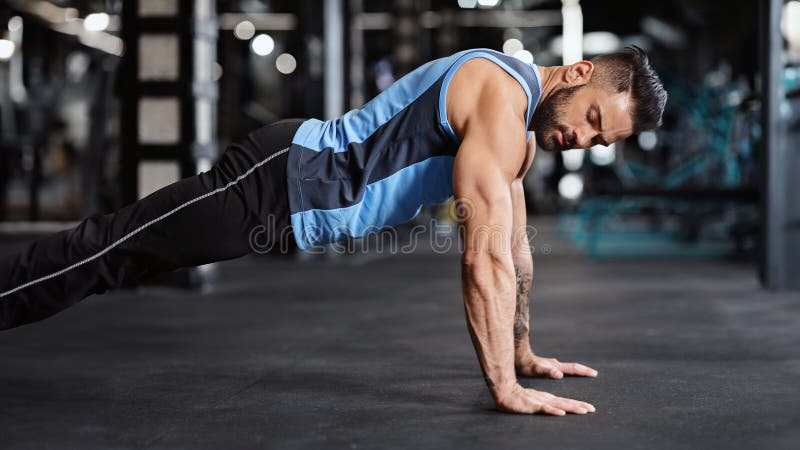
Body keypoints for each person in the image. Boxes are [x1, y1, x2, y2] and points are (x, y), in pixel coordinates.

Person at [0, 46, 667, 415]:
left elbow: (516, 252)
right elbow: (481, 258)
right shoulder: (500, 96)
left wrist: (524, 353)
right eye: (590, 120)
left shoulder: (520, 137)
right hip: (276, 179)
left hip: (291, 205)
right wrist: (503, 386)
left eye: (595, 142)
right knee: (107, 252)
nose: (580, 140)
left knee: (120, 261)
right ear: (580, 74)